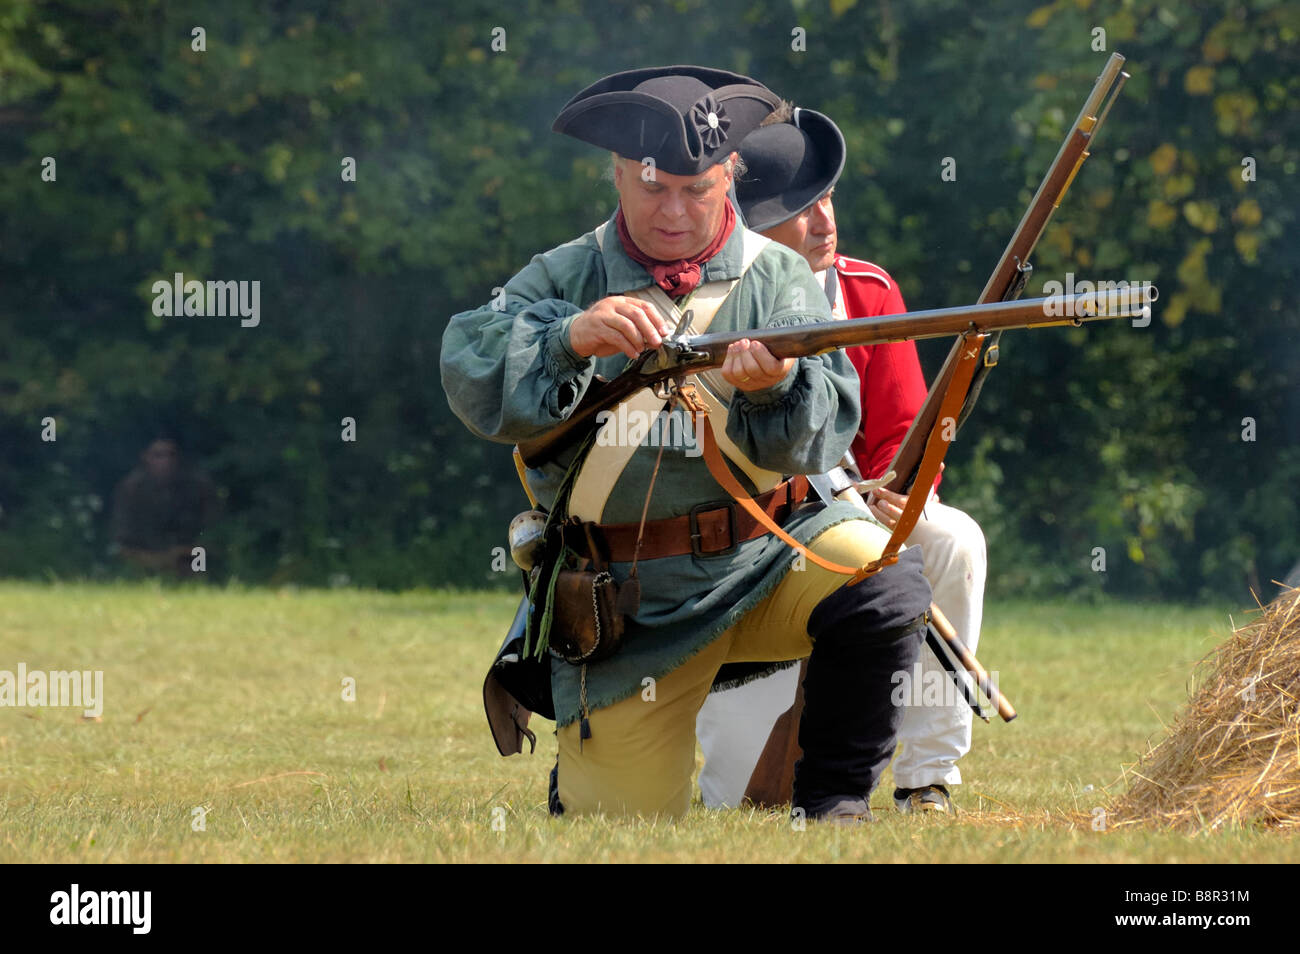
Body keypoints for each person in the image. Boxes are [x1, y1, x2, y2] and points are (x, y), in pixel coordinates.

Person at [441, 66, 933, 821]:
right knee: (620, 828)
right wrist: (569, 337)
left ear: (730, 174)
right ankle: (587, 754)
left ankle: (833, 806)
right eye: (653, 188)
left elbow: (827, 431)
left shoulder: (780, 277)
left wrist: (772, 387)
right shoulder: (567, 273)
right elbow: (470, 366)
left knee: (884, 583)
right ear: (617, 174)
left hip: (766, 560)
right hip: (629, 608)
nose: (673, 211)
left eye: (696, 190)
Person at [696, 107, 988, 815]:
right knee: (733, 795)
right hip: (756, 531)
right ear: (759, 228)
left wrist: (898, 492)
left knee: (951, 540)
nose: (824, 220)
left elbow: (903, 432)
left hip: (861, 512)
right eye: (801, 208)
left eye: (826, 197)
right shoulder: (714, 307)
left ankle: (927, 776)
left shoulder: (870, 292)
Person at [111, 435, 218, 576]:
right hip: (145, 555)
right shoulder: (131, 490)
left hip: (188, 555)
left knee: (199, 563)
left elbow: (213, 530)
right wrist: (158, 558)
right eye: (158, 455)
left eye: (171, 455)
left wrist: (185, 552)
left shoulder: (197, 487)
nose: (165, 461)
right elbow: (122, 539)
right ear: (146, 457)